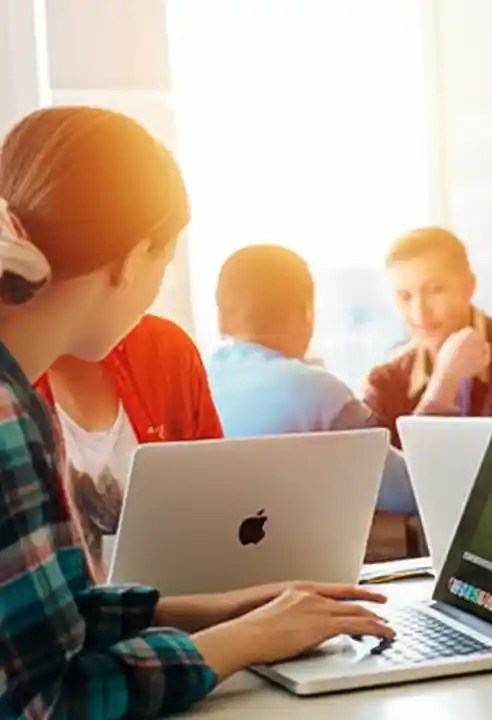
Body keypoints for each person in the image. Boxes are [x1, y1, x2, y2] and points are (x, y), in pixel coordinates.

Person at [0, 106, 392, 717]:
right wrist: (247, 639)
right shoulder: (5, 410)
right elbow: (48, 703)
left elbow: (46, 623)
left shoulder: (12, 387)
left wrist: (220, 607)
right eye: (164, 261)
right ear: (133, 260)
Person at [206, 245, 419, 560]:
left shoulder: (199, 377)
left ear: (222, 317)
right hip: (292, 568)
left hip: (217, 563)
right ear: (306, 311)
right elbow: (409, 490)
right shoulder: (315, 389)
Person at [33, 315, 224, 579]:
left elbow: (219, 507)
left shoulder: (165, 350)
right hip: (70, 615)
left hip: (178, 598)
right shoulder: (15, 377)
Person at [363, 227, 492, 446]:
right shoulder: (384, 383)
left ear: (469, 286)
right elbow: (389, 476)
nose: (420, 313)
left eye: (435, 290)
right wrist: (443, 386)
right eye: (405, 297)